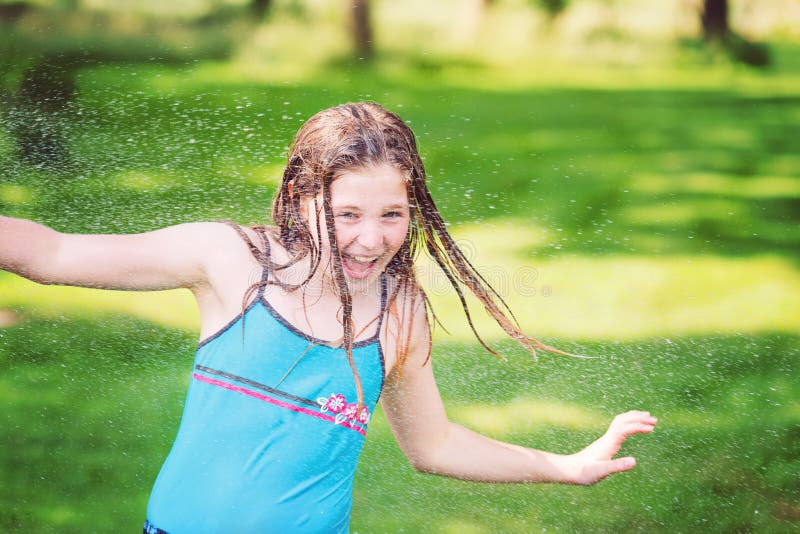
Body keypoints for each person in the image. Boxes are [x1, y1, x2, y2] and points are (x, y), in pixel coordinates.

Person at [0, 102, 657, 533]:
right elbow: (52, 252)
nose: (372, 239)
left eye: (391, 215)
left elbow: (434, 446)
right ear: (299, 196)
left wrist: (562, 464)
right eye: (348, 215)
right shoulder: (230, 262)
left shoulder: (398, 313)